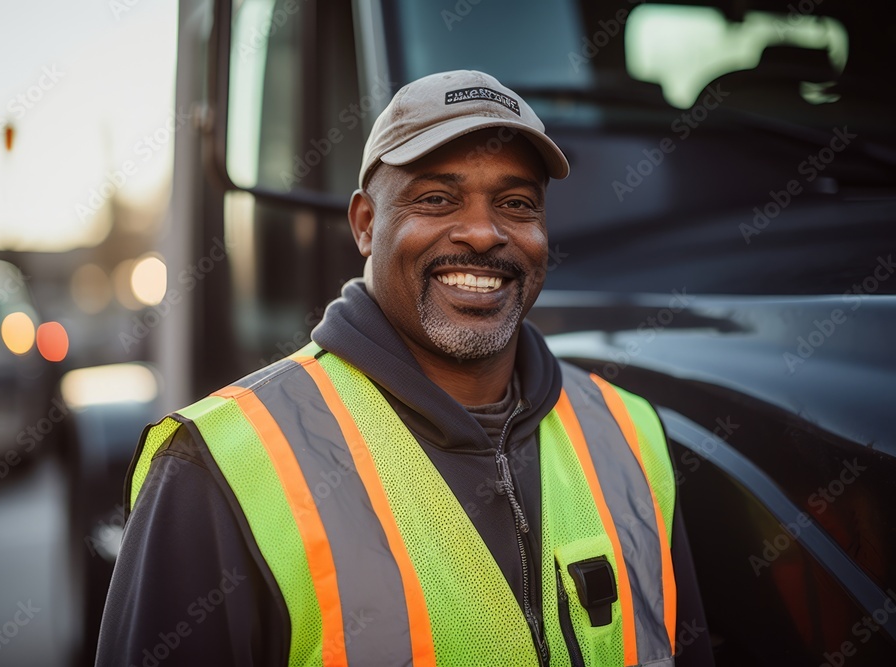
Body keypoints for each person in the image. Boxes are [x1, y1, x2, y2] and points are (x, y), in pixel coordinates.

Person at [97, 70, 714, 666]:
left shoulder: (632, 437)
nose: (482, 232)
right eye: (437, 198)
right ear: (366, 225)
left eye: (516, 203)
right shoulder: (216, 466)